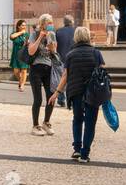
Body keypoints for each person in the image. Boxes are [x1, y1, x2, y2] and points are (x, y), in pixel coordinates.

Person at [48, 26, 106, 162]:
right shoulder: (96, 53)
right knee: (90, 123)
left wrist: (56, 93)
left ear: (76, 37)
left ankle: (77, 149)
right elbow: (103, 73)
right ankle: (85, 154)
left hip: (76, 92)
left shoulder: (70, 54)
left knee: (78, 119)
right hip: (93, 93)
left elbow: (65, 76)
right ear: (87, 37)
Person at [27, 15, 58, 135]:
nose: (51, 24)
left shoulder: (52, 34)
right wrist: (40, 37)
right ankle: (35, 125)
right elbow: (31, 51)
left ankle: (46, 122)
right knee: (38, 99)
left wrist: (51, 45)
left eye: (52, 22)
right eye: (49, 23)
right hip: (36, 68)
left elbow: (54, 52)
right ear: (43, 24)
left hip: (48, 68)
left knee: (51, 97)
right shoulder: (34, 34)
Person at [53, 15, 76, 108]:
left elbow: (55, 45)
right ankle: (70, 100)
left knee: (61, 79)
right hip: (73, 58)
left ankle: (61, 99)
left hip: (61, 58)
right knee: (71, 80)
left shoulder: (58, 31)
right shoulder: (76, 31)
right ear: (72, 22)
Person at [9, 19, 29, 90]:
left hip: (24, 54)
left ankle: (22, 85)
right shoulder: (15, 33)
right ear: (18, 26)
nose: (24, 27)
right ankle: (21, 81)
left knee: (24, 70)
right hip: (16, 55)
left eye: (25, 25)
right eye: (23, 25)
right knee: (16, 71)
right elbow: (12, 37)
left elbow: (29, 43)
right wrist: (21, 33)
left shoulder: (27, 34)